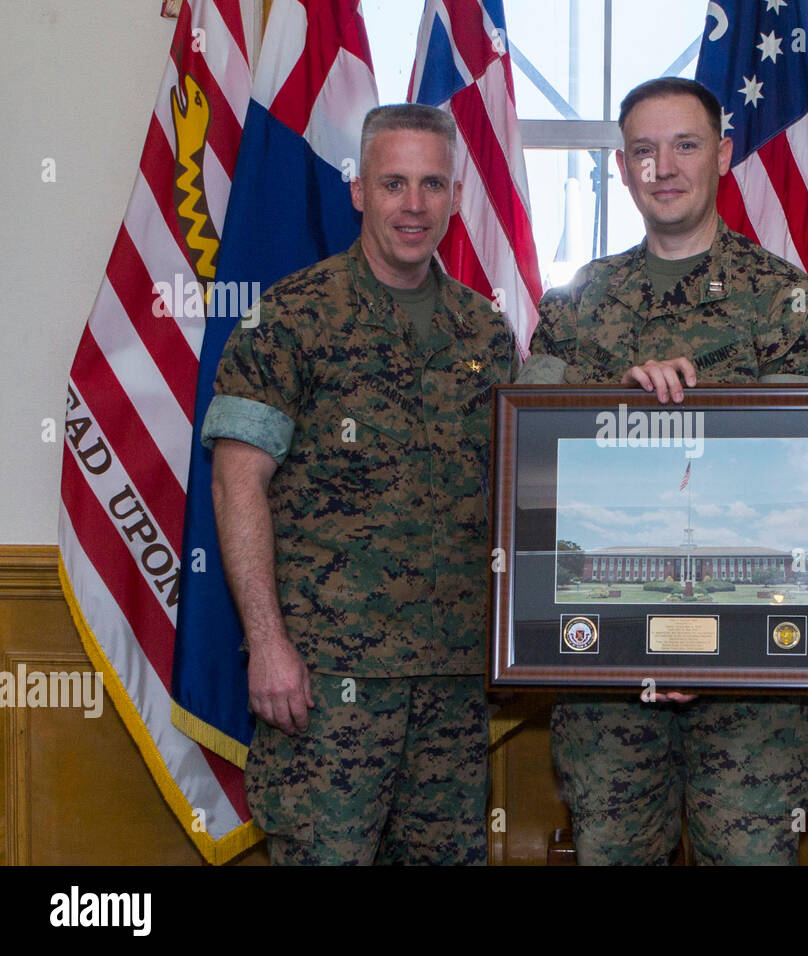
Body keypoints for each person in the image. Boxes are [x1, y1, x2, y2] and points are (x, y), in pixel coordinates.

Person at [519, 77, 808, 865]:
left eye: (685, 145)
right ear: (624, 169)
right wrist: (611, 403)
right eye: (642, 151)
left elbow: (807, 490)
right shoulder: (577, 304)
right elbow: (528, 473)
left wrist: (705, 651)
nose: (663, 167)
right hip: (606, 683)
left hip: (757, 694)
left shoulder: (786, 303)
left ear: (724, 154)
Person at [202, 104, 516, 865]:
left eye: (432, 185)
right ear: (358, 190)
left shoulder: (486, 333)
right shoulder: (290, 319)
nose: (414, 206)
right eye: (394, 183)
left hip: (453, 680)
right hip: (329, 683)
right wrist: (269, 646)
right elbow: (236, 482)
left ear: (455, 195)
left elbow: (520, 492)